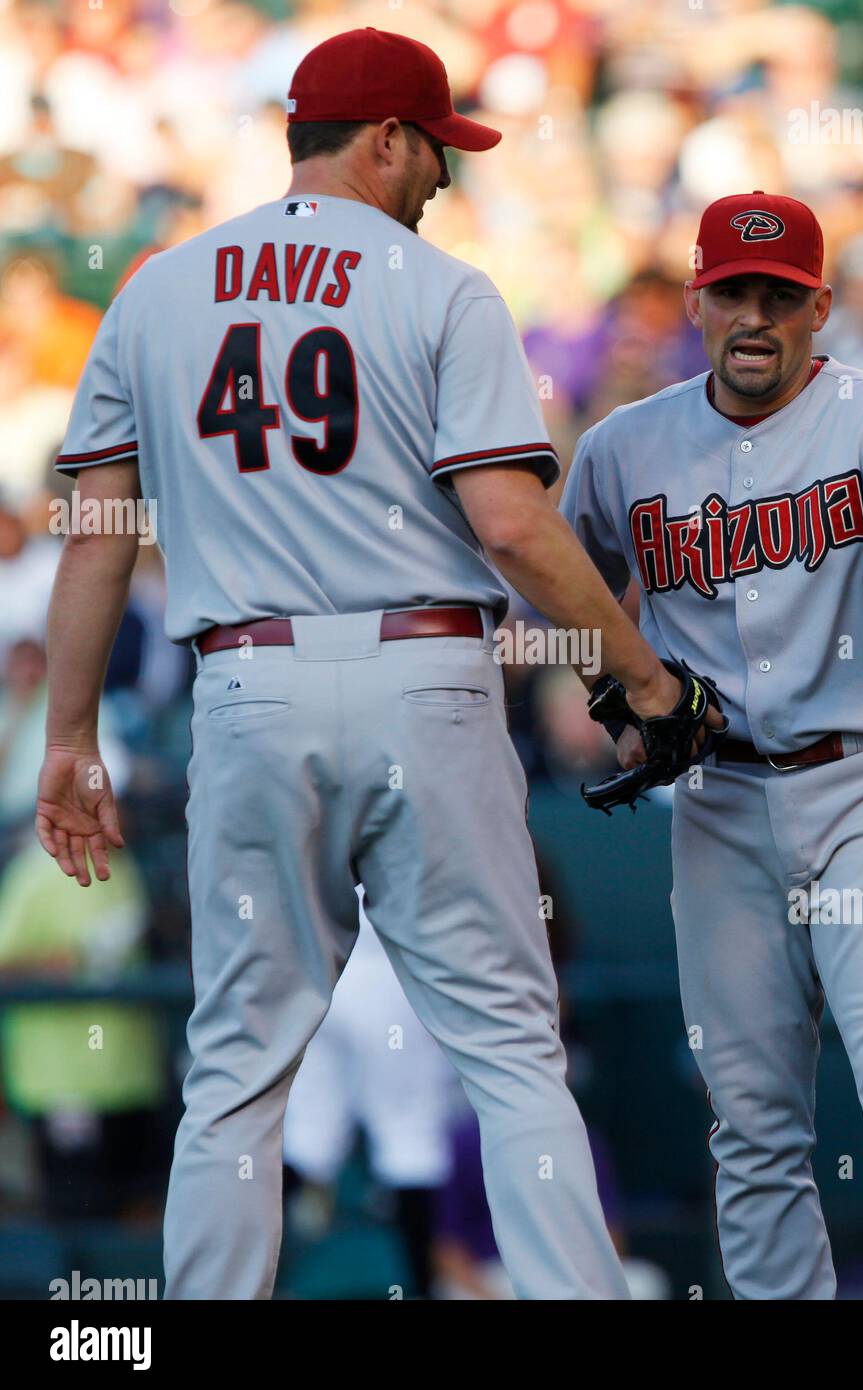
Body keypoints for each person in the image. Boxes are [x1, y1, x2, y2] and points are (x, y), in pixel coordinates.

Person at [35, 27, 688, 1301]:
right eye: (435, 145)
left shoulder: (157, 290)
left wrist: (71, 737)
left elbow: (99, 539)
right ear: (385, 137)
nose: (443, 174)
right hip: (423, 675)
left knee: (235, 1068)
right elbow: (509, 522)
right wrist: (644, 675)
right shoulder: (442, 289)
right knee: (508, 1050)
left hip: (244, 680)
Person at [561, 191, 863, 1299]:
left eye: (779, 294)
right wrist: (612, 683)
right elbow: (547, 579)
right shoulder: (624, 446)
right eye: (732, 292)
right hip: (717, 800)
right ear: (697, 300)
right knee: (752, 1121)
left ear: (818, 305)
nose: (753, 315)